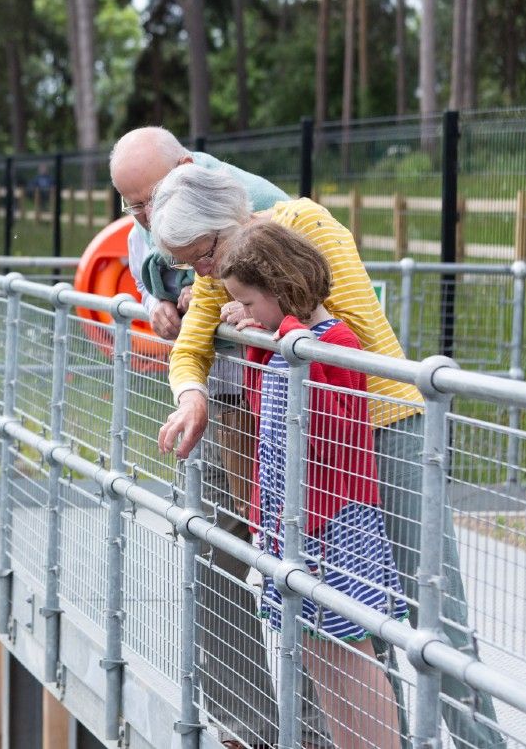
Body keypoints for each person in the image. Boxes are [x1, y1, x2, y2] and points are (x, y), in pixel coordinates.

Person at [150, 165, 506, 749]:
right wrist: (191, 395)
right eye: (192, 265)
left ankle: (480, 742)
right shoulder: (229, 267)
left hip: (386, 430)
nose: (203, 275)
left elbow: (352, 333)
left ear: (227, 226)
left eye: (203, 256)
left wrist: (273, 326)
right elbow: (190, 345)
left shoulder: (299, 229)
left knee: (433, 618)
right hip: (323, 457)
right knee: (358, 624)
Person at [111, 127, 305, 749]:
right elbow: (152, 271)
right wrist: (155, 301)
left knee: (294, 557)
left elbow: (301, 284)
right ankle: (252, 729)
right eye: (131, 204)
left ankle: (318, 730)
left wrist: (228, 301)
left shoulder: (246, 202)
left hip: (273, 396)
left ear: (187, 168)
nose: (142, 213)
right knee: (216, 546)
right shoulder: (158, 214)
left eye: (149, 199)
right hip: (220, 393)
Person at [220, 220, 409, 749]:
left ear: (282, 290)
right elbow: (266, 407)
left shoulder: (335, 343)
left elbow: (327, 434)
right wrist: (260, 343)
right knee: (316, 647)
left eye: (249, 302)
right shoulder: (290, 341)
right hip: (293, 522)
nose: (244, 312)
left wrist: (282, 339)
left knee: (349, 648)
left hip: (335, 521)